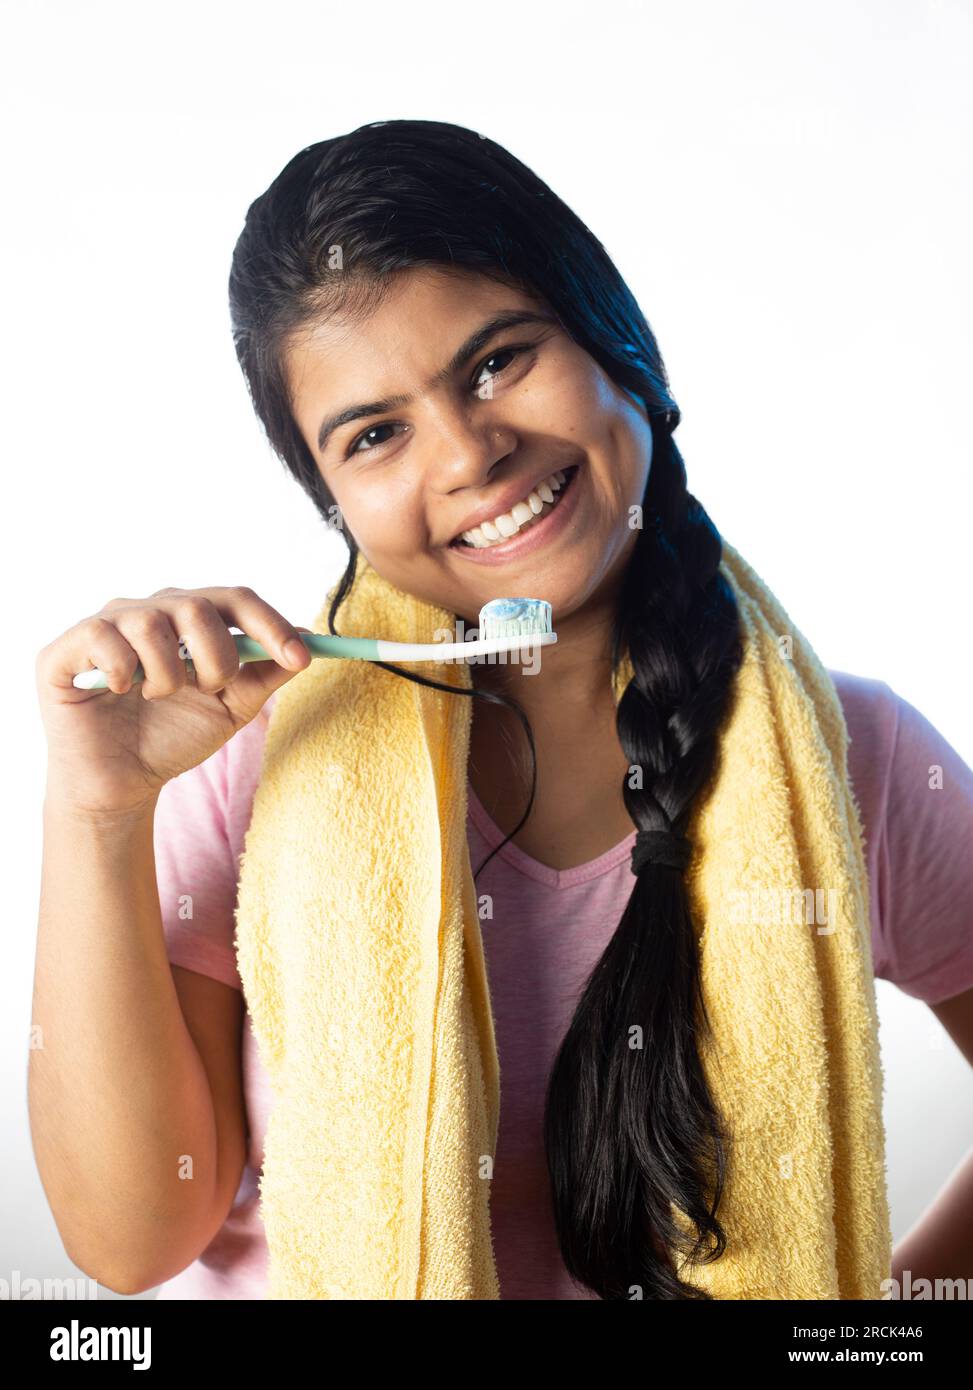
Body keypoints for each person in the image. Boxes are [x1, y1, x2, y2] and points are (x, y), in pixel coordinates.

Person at [31, 119, 973, 1301]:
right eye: (375, 434)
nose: (470, 452)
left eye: (496, 362)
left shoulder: (857, 765)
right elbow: (129, 1242)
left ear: (618, 341)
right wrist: (98, 810)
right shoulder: (260, 773)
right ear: (335, 502)